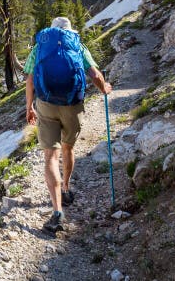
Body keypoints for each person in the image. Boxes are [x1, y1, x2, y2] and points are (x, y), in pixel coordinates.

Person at [23, 17, 112, 233]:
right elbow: (94, 74)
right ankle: (66, 187)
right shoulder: (78, 45)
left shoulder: (40, 46)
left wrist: (29, 107)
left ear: (51, 30)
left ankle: (57, 211)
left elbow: (30, 79)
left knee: (50, 156)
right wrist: (104, 89)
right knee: (67, 147)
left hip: (46, 104)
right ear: (70, 31)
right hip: (73, 105)